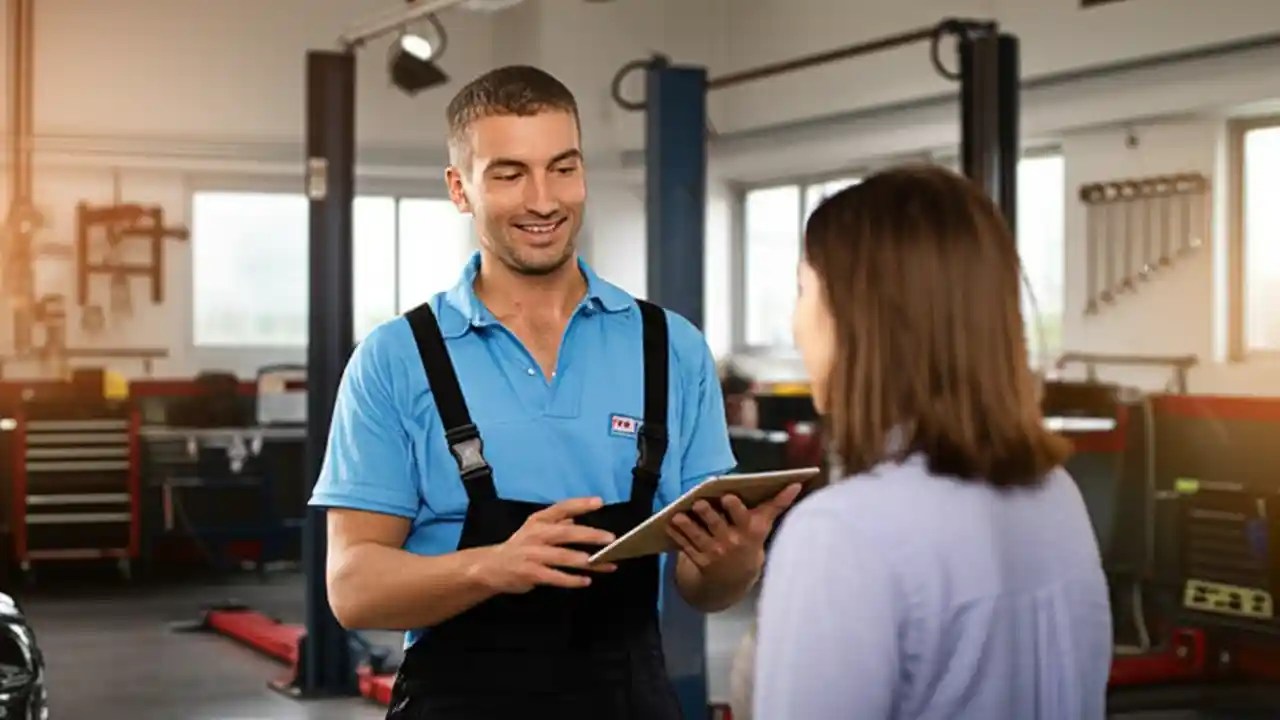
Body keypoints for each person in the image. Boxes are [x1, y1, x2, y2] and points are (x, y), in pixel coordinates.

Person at [309, 65, 800, 720]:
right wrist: (494, 567)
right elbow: (352, 589)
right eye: (509, 174)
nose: (543, 200)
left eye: (562, 168)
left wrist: (737, 560)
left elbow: (703, 588)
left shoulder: (670, 348)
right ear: (460, 189)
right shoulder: (395, 360)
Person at [752, 165, 1113, 720]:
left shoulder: (841, 534)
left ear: (861, 317)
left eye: (804, 290)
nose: (796, 321)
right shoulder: (1056, 495)